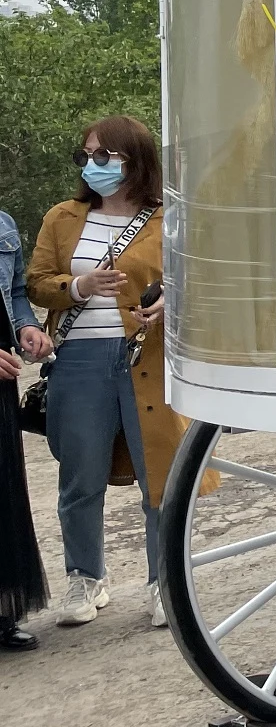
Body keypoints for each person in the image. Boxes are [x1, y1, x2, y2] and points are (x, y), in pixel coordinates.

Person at [26, 116, 181, 629]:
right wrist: (78, 286)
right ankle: (86, 578)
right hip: (79, 359)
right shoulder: (63, 217)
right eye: (85, 156)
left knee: (158, 475)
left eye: (103, 157)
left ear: (133, 161)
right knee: (80, 477)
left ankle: (165, 583)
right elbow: (36, 283)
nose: (91, 166)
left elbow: (197, 277)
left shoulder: (169, 217)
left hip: (148, 357)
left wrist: (172, 302)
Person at [2, 208, 55, 649]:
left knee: (2, 490)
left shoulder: (3, 223)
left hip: (2, 370)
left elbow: (17, 291)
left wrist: (26, 324)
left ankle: (1, 611)